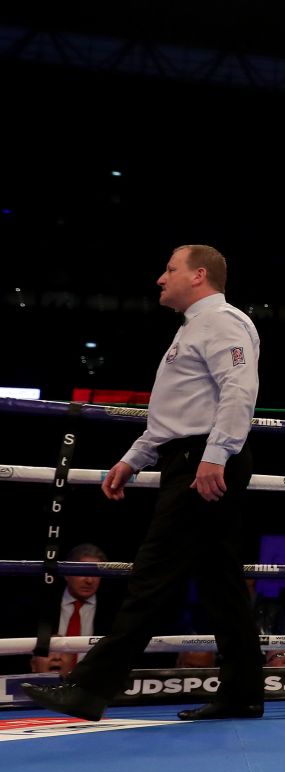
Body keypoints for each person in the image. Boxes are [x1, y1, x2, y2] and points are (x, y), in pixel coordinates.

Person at [24, 244, 265, 721]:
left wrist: (215, 455)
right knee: (221, 584)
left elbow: (240, 389)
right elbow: (175, 414)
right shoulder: (194, 328)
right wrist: (133, 459)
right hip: (193, 455)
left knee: (153, 575)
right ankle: (243, 691)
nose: (160, 278)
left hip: (204, 458)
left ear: (198, 276)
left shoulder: (220, 321)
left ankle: (90, 689)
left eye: (170, 269)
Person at [29, 543, 111, 677]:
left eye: (95, 574)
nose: (89, 580)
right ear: (66, 574)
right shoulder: (39, 603)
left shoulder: (113, 610)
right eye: (83, 573)